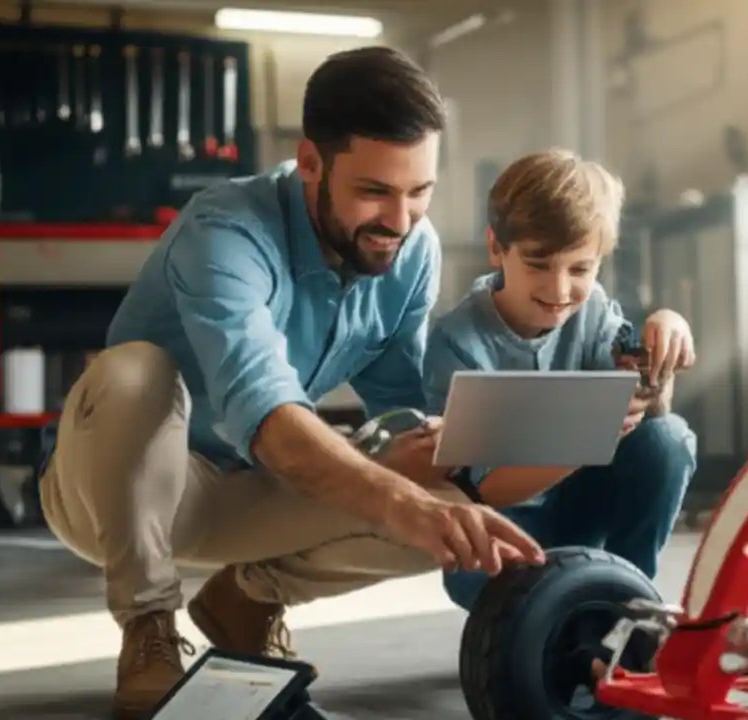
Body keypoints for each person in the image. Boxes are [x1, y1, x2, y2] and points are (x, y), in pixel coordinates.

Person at [37, 46, 544, 719]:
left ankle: (245, 597)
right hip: (119, 493)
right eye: (374, 191)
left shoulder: (408, 250)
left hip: (245, 496)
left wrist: (434, 452)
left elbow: (398, 406)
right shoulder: (226, 233)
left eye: (419, 191)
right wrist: (399, 502)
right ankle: (149, 630)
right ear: (310, 163)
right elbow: (268, 415)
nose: (400, 220)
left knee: (443, 504)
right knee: (135, 372)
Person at [422, 149, 699, 611]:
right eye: (537, 263)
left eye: (580, 269)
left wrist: (667, 335)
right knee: (520, 606)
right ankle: (556, 612)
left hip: (582, 514)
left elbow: (654, 413)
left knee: (668, 438)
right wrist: (586, 436)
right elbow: (483, 489)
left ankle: (628, 600)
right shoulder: (458, 343)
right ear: (497, 248)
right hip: (497, 534)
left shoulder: (591, 311)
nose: (559, 290)